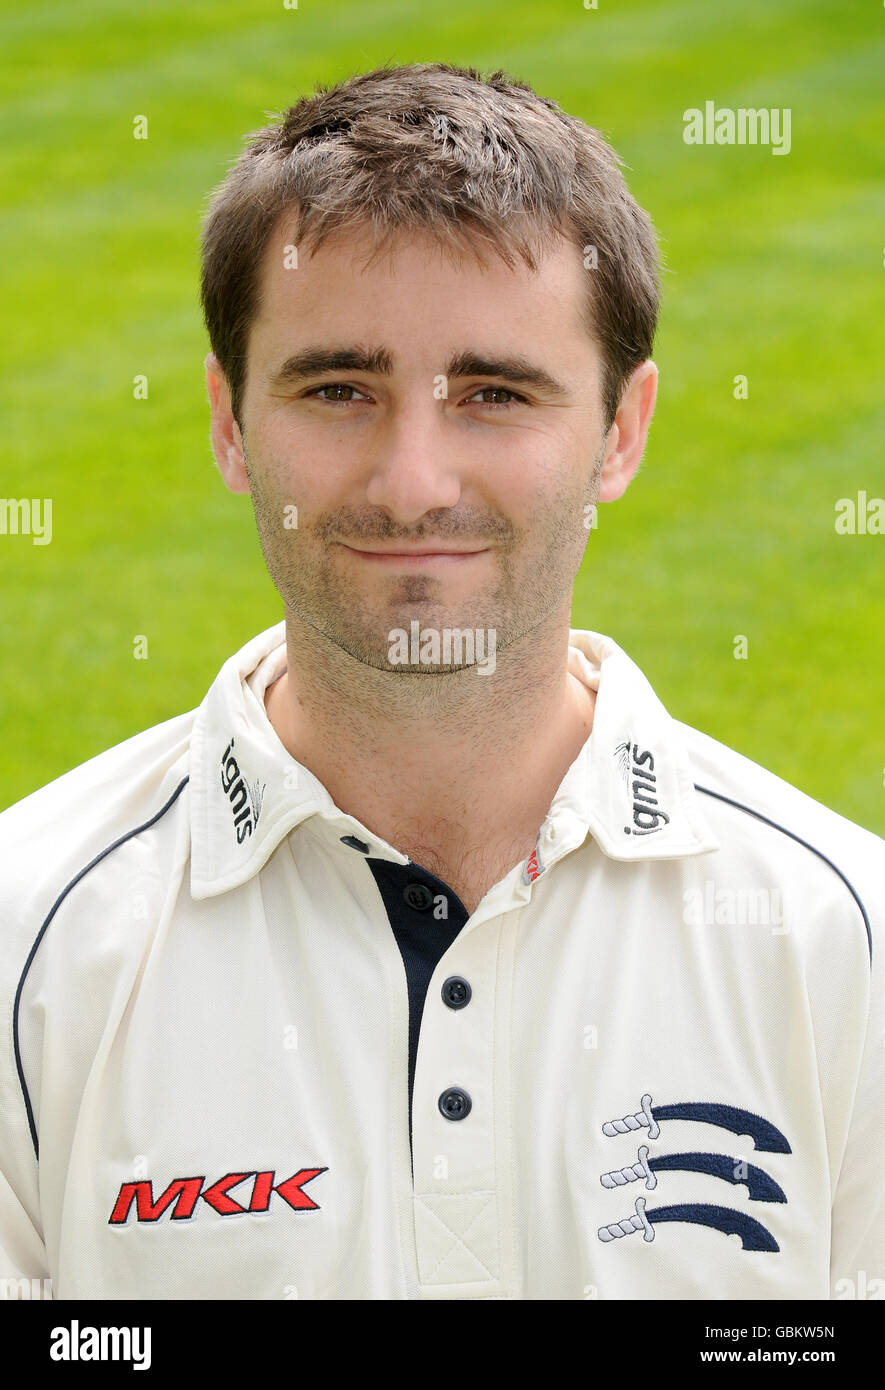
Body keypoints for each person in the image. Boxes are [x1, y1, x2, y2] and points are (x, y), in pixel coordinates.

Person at [0, 62, 882, 1302]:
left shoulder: (844, 935)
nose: (412, 480)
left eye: (494, 394)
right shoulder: (24, 940)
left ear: (622, 431)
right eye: (338, 388)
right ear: (229, 423)